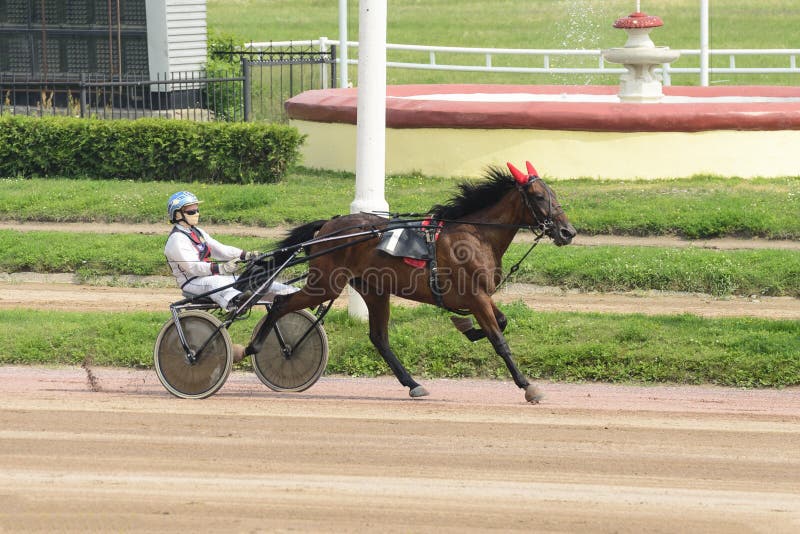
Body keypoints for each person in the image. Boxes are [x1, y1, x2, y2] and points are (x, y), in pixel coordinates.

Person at [164, 191, 295, 311]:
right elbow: (193, 267)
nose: (196, 213)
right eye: (191, 211)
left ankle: (295, 294)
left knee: (255, 279)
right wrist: (221, 268)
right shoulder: (176, 239)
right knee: (216, 282)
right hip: (192, 282)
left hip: (210, 277)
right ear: (177, 214)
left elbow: (220, 250)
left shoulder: (197, 232)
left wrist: (245, 254)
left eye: (197, 210)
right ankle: (238, 300)